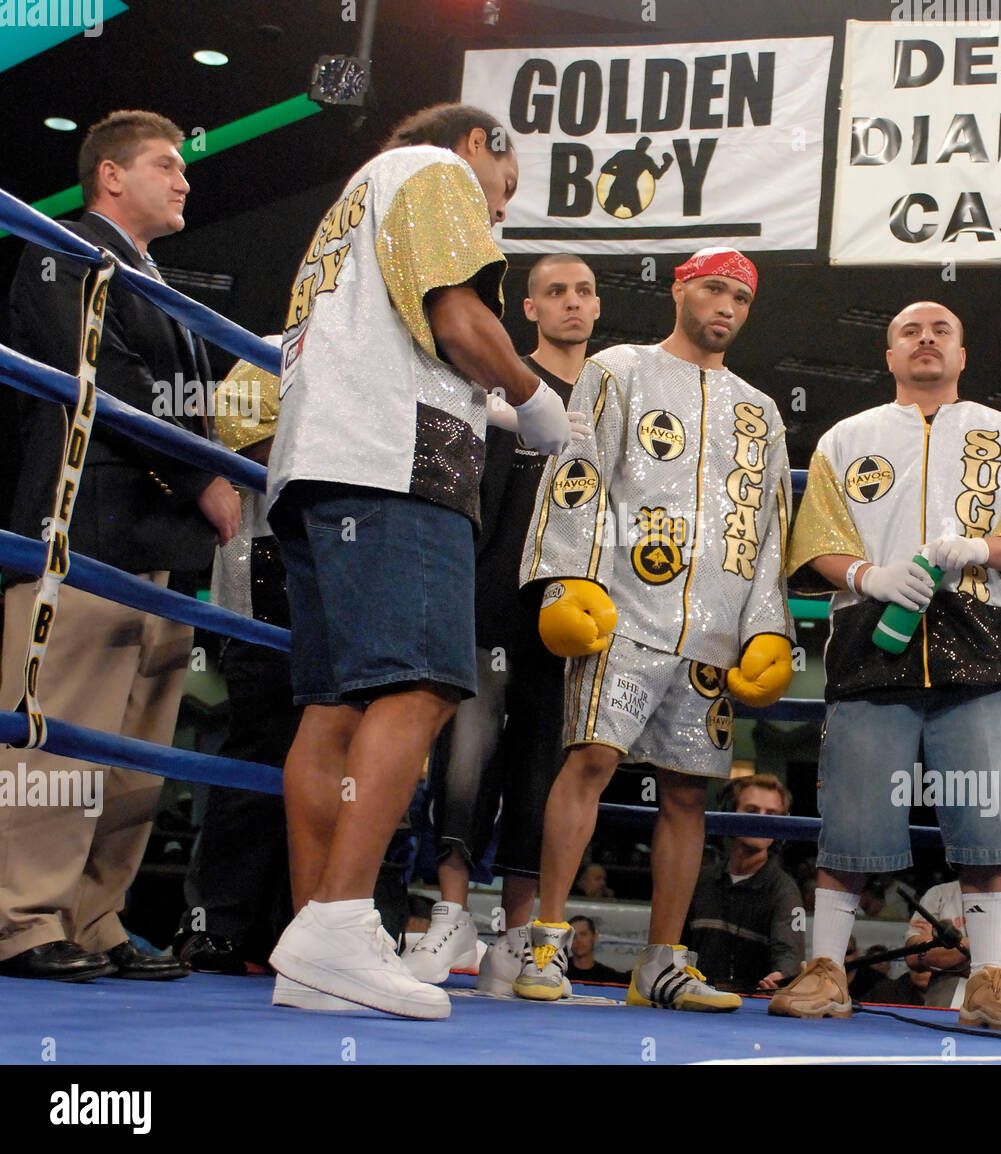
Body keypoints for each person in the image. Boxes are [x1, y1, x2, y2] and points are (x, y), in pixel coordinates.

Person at [264, 102, 572, 1020]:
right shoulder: (435, 171)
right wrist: (533, 393)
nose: (502, 215)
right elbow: (453, 312)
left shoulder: (352, 205)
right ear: (479, 144)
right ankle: (341, 923)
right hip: (395, 470)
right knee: (423, 686)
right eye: (505, 189)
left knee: (332, 708)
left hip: (318, 468)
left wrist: (500, 411)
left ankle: (316, 945)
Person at [770, 301, 1001, 1030]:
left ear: (962, 355)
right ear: (890, 356)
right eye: (910, 331)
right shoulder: (846, 440)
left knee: (986, 820)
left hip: (979, 643)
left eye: (941, 330)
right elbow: (814, 543)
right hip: (870, 643)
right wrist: (867, 577)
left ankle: (985, 976)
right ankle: (823, 969)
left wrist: (980, 546)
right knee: (848, 817)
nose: (926, 339)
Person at [512, 247, 794, 1012]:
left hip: (713, 626)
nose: (725, 307)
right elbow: (579, 475)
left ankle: (661, 964)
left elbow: (770, 528)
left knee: (688, 796)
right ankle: (542, 943)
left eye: (739, 296)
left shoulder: (760, 410)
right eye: (712, 290)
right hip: (623, 609)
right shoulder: (619, 369)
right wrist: (567, 580)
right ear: (680, 291)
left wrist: (768, 627)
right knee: (592, 761)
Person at [0, 110, 241, 982]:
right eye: (167, 164)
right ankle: (22, 918)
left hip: (152, 543)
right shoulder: (63, 246)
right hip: (82, 530)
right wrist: (205, 472)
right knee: (59, 735)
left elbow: (166, 389)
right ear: (111, 174)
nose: (184, 179)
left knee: (132, 750)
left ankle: (95, 915)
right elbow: (102, 373)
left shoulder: (150, 276)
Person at [403, 255, 599, 994]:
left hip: (569, 613)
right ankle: (450, 916)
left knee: (542, 767)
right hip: (483, 594)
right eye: (557, 292)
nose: (572, 304)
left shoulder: (616, 401)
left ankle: (518, 936)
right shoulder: (493, 387)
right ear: (529, 310)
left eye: (584, 292)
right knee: (464, 755)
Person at [173, 343, 294, 973]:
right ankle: (219, 924)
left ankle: (295, 929)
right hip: (267, 566)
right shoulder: (268, 355)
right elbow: (247, 451)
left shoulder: (391, 356)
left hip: (350, 567)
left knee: (336, 763)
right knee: (259, 751)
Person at [682, 774, 804, 991]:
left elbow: (789, 956)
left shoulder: (784, 891)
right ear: (730, 813)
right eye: (752, 811)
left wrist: (781, 976)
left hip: (750, 1011)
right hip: (691, 1001)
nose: (762, 820)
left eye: (772, 814)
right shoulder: (700, 881)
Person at [902, 875, 1001, 1014]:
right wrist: (982, 945)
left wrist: (946, 955)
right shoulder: (938, 894)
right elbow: (913, 955)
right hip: (942, 1012)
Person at [567, 915, 629, 985]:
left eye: (583, 934)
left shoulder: (610, 978)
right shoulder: (557, 973)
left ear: (594, 937)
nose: (578, 940)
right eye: (573, 936)